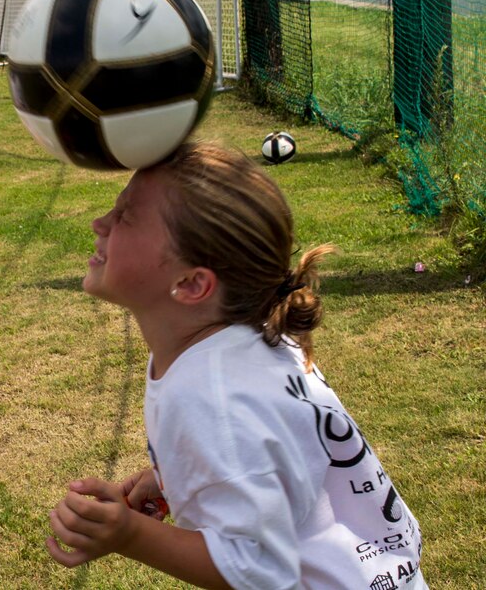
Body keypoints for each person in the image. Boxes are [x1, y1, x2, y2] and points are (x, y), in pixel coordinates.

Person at [46, 142, 426, 589]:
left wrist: (129, 534)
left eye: (125, 217)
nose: (100, 223)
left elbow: (258, 569)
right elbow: (282, 454)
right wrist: (177, 479)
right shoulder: (240, 343)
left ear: (191, 284)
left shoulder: (214, 397)